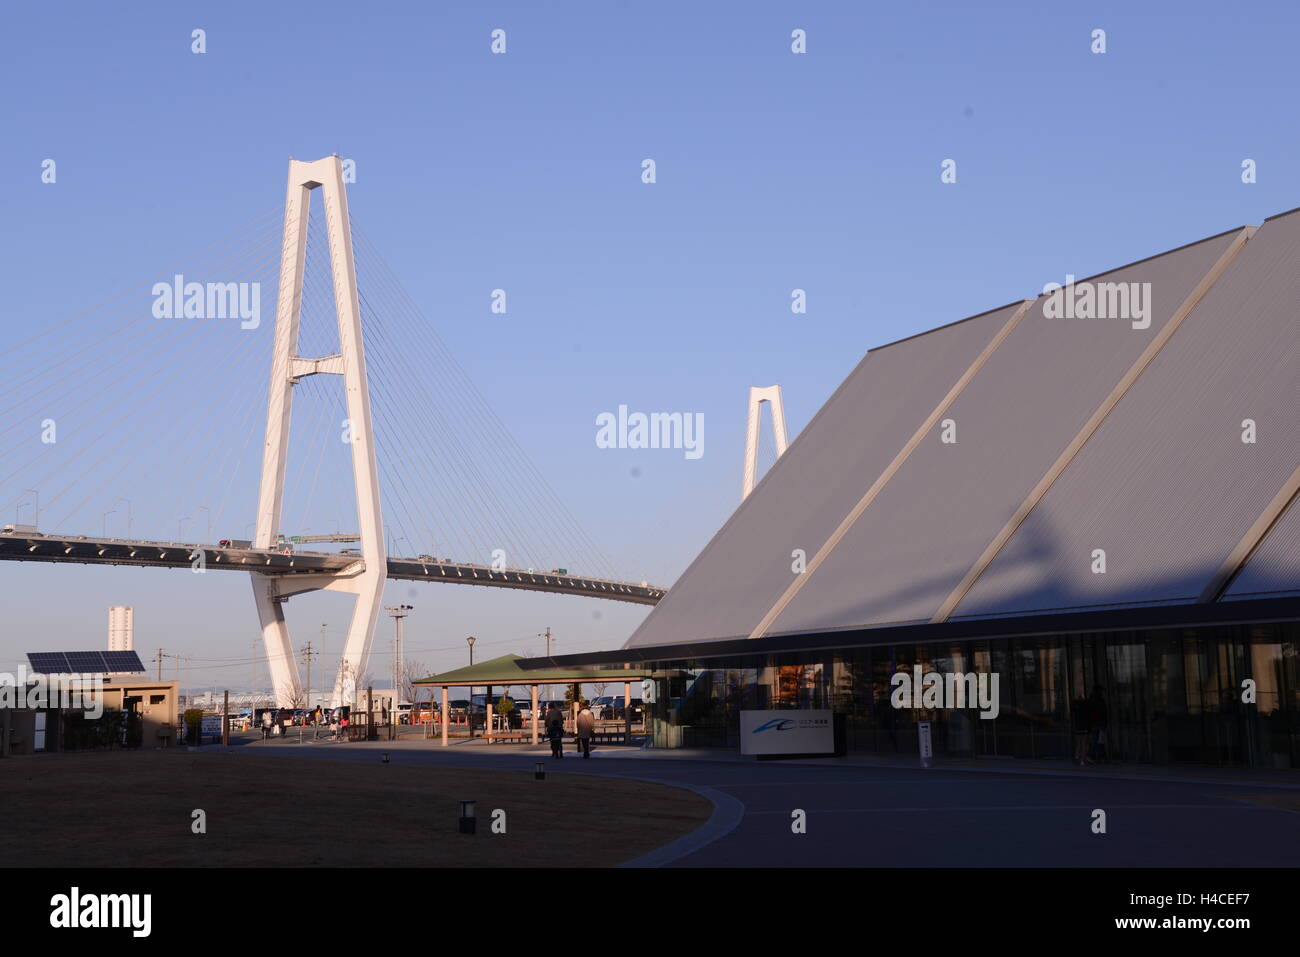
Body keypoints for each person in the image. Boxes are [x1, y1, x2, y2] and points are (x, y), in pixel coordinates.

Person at [1088, 685, 1108, 764]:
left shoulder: (1093, 700)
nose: (1102, 693)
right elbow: (1102, 713)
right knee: (1097, 741)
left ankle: (1098, 756)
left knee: (1098, 741)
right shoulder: (1098, 700)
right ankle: (1094, 756)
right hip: (1098, 724)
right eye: (1101, 691)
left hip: (1097, 724)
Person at [1070, 695, 1091, 765]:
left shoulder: (1076, 707)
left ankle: (1077, 757)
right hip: (1084, 727)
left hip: (1078, 727)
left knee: (1078, 744)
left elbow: (1072, 708)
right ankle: (1082, 759)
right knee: (1083, 744)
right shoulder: (1085, 707)